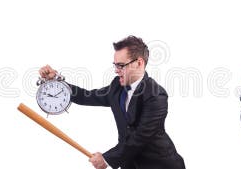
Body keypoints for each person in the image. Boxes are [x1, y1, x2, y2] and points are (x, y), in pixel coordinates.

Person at [39, 35, 185, 169]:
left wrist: (107, 159)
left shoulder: (156, 95)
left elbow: (140, 138)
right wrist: (57, 82)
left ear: (139, 63)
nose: (116, 70)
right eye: (115, 65)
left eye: (121, 65)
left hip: (160, 165)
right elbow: (87, 96)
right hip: (129, 165)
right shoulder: (117, 86)